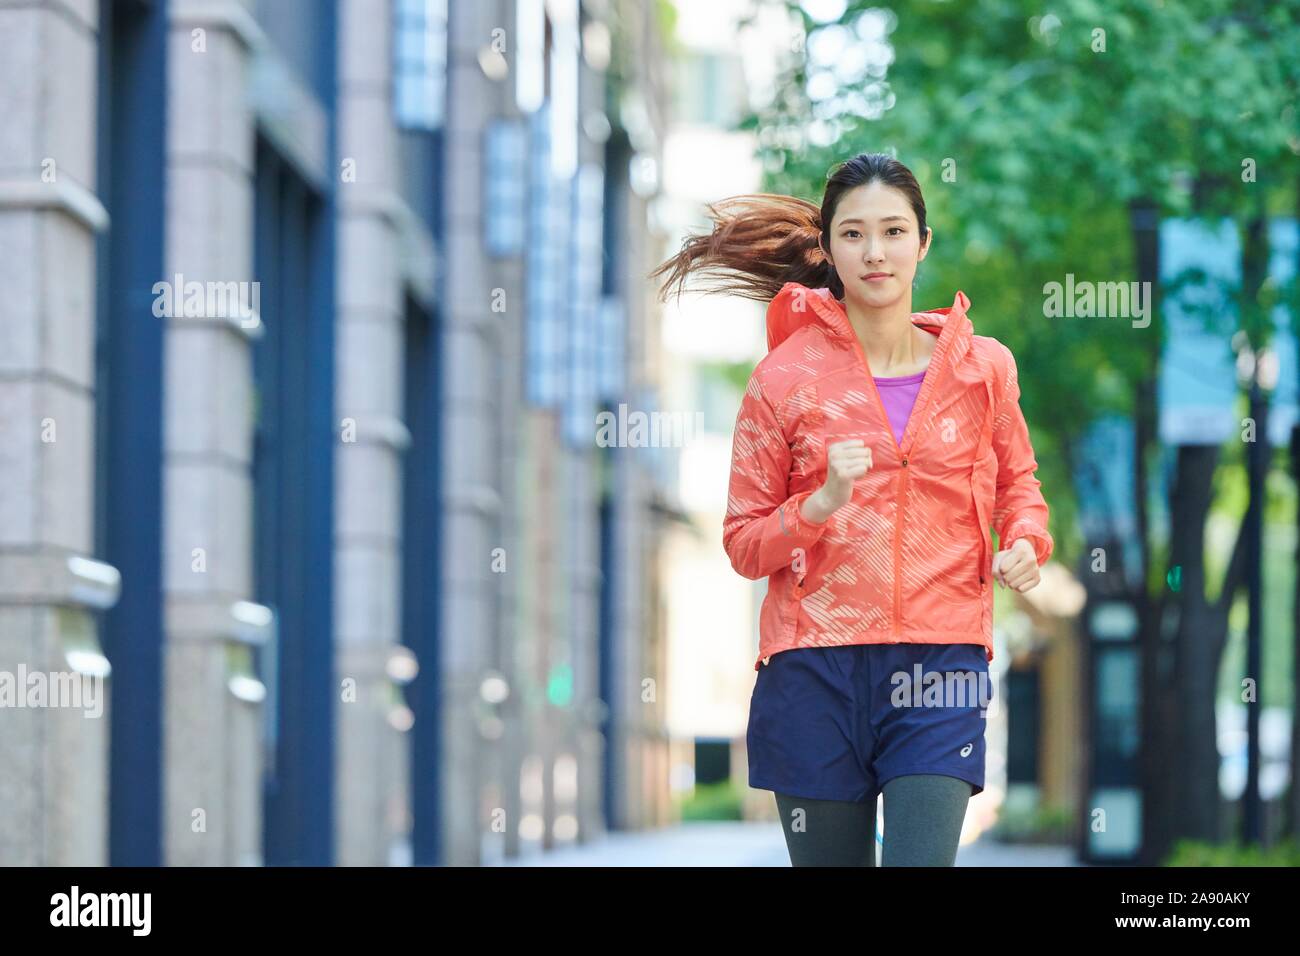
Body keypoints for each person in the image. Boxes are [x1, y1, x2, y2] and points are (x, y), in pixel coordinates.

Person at [650, 152, 1053, 866]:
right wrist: (819, 504)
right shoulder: (783, 379)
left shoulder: (982, 369)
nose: (876, 252)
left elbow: (1018, 483)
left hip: (940, 664)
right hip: (814, 674)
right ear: (830, 249)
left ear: (922, 243)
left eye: (895, 231)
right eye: (855, 234)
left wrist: (1025, 538)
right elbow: (744, 543)